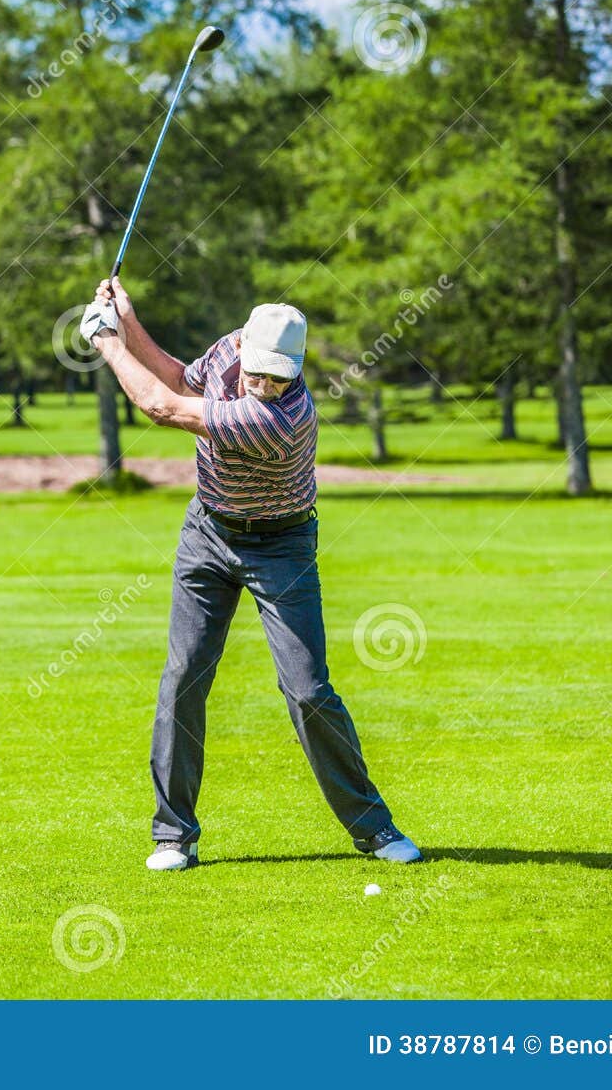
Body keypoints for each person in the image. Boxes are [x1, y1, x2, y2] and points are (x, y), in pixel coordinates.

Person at [81, 276, 420, 871]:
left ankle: (373, 827)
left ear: (296, 370)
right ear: (246, 348)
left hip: (281, 546)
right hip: (207, 535)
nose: (262, 385)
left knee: (308, 691)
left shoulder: (281, 419)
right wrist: (128, 319)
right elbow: (183, 380)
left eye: (276, 376)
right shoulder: (232, 349)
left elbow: (162, 407)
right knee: (183, 677)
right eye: (257, 372)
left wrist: (108, 343)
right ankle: (173, 835)